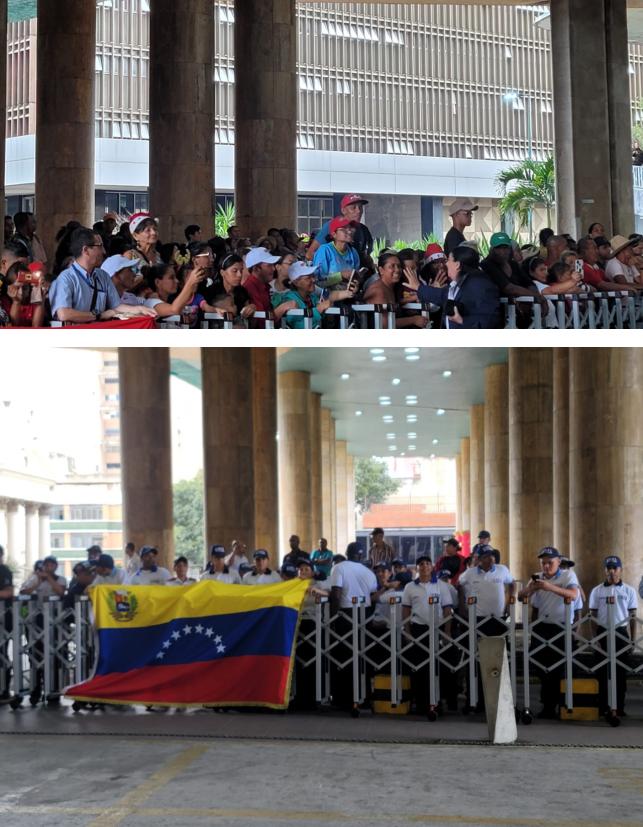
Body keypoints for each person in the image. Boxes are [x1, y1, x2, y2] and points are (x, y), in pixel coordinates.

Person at [518, 546, 580, 719]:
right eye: (543, 563)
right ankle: (547, 705)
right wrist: (532, 588)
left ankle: (564, 703)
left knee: (560, 667)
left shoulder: (568, 575)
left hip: (561, 627)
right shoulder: (537, 578)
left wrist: (548, 587)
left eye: (550, 563)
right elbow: (520, 596)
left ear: (558, 562)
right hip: (542, 627)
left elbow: (573, 595)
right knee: (542, 667)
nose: (546, 566)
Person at [49, 227, 156, 324]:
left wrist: (140, 309)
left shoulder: (102, 276)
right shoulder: (66, 278)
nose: (104, 251)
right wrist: (98, 316)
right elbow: (64, 314)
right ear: (86, 250)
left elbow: (117, 306)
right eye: (100, 246)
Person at [458, 545, 515, 711]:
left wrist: (511, 602)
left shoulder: (502, 570)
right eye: (486, 556)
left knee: (501, 659)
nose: (490, 559)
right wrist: (463, 608)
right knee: (475, 661)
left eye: (492, 555)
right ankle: (474, 700)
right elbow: (459, 585)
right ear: (479, 559)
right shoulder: (469, 573)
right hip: (477, 621)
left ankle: (502, 699)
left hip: (498, 621)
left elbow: (512, 584)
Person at [402, 554, 455, 716]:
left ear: (432, 567)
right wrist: (407, 632)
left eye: (427, 564)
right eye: (421, 564)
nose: (424, 566)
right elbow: (406, 610)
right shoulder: (410, 587)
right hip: (418, 629)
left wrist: (446, 632)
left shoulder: (441, 586)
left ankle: (440, 702)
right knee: (419, 668)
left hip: (437, 630)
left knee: (441, 668)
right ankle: (421, 703)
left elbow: (447, 609)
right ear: (417, 568)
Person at [329, 542, 378, 710]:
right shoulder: (369, 572)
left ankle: (344, 698)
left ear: (346, 552)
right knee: (363, 656)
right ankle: (364, 696)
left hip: (345, 615)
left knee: (343, 656)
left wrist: (333, 618)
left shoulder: (339, 568)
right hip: (365, 615)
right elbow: (373, 594)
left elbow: (336, 594)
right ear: (361, 556)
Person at [403, 246, 501, 329]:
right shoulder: (460, 282)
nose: (445, 264)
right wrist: (419, 288)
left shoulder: (481, 285)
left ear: (457, 265)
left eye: (448, 260)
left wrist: (463, 321)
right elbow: (443, 295)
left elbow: (491, 319)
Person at [589, 555, 638, 719]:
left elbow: (632, 616)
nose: (611, 572)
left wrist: (632, 639)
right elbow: (592, 616)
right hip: (603, 632)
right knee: (601, 672)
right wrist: (595, 638)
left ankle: (620, 707)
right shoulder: (597, 591)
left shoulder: (629, 591)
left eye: (615, 568)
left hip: (621, 632)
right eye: (608, 568)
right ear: (604, 570)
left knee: (620, 673)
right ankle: (603, 706)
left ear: (620, 570)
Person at [274, 261, 356, 329]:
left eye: (312, 276)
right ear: (296, 282)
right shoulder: (289, 299)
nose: (313, 280)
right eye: (308, 278)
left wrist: (349, 292)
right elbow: (300, 327)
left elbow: (330, 296)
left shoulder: (312, 297)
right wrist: (318, 310)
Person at [364, 252, 429, 328]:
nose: (397, 270)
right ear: (381, 270)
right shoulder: (378, 291)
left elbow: (395, 304)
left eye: (399, 266)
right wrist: (414, 320)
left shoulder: (391, 286)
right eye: (392, 266)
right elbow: (384, 323)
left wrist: (414, 297)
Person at [308, 194, 374, 268]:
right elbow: (310, 254)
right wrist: (333, 267)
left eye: (360, 207)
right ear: (343, 210)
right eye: (353, 208)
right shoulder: (331, 226)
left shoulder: (364, 230)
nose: (358, 211)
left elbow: (366, 256)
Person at [199, 253, 256, 322]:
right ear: (222, 272)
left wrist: (251, 308)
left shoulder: (242, 291)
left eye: (241, 271)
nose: (239, 275)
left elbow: (248, 314)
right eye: (234, 271)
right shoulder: (211, 292)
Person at [312, 217, 361, 289]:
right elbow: (318, 281)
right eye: (344, 229)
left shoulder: (353, 252)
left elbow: (355, 278)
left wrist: (355, 285)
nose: (349, 231)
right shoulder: (325, 250)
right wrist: (340, 275)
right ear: (334, 234)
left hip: (348, 296)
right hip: (328, 298)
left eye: (350, 228)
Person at [0, 545, 14, 699]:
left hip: (3, 618)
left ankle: (4, 689)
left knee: (2, 654)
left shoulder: (3, 571)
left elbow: (8, 592)